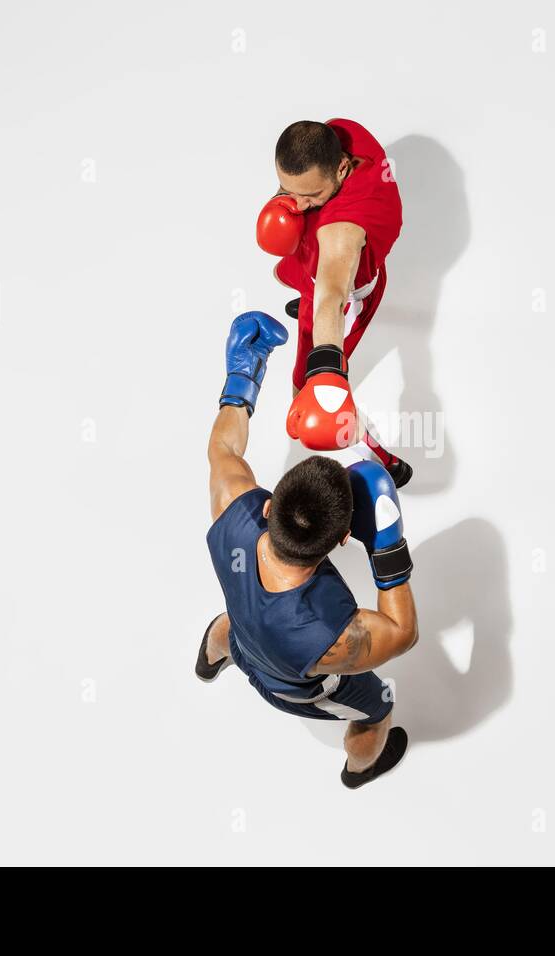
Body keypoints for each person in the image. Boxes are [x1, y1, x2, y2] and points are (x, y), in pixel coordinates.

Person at [203, 310, 418, 787]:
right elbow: (403, 634)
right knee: (376, 708)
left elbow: (224, 450)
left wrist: (242, 376)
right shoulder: (330, 634)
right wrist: (387, 545)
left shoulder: (232, 511)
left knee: (235, 628)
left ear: (268, 504)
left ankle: (212, 657)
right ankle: (362, 768)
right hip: (295, 690)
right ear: (344, 538)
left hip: (242, 636)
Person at [256, 118, 413, 487]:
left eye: (309, 197)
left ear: (343, 168)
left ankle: (382, 457)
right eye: (287, 189)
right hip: (314, 261)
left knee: (306, 398)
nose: (295, 205)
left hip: (345, 294)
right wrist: (292, 196)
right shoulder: (339, 136)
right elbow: (300, 191)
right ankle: (299, 278)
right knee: (285, 264)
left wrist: (326, 375)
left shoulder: (342, 231)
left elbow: (330, 295)